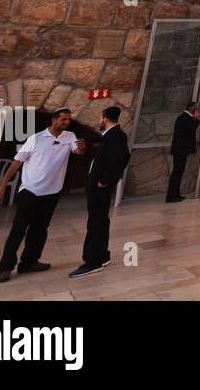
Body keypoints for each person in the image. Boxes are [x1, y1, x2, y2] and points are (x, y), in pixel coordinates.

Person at [0, 108, 85, 283]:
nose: (66, 122)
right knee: (18, 230)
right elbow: (16, 163)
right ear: (54, 120)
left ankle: (29, 263)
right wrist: (2, 186)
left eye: (68, 120)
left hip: (51, 193)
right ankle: (5, 267)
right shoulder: (35, 139)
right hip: (30, 192)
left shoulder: (70, 136)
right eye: (63, 119)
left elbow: (77, 151)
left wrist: (82, 148)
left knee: (40, 230)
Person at [69, 107, 131, 279]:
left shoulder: (115, 135)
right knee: (101, 220)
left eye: (100, 117)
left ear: (104, 118)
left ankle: (92, 261)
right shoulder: (111, 135)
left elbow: (121, 158)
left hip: (100, 188)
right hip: (98, 186)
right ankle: (102, 255)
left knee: (95, 222)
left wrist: (105, 181)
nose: (99, 120)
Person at [166, 101, 200, 202]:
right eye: (196, 109)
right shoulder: (185, 118)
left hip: (181, 150)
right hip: (180, 151)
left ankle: (175, 194)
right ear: (193, 110)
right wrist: (196, 118)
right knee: (177, 172)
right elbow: (192, 127)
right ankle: (172, 196)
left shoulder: (184, 118)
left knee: (179, 172)